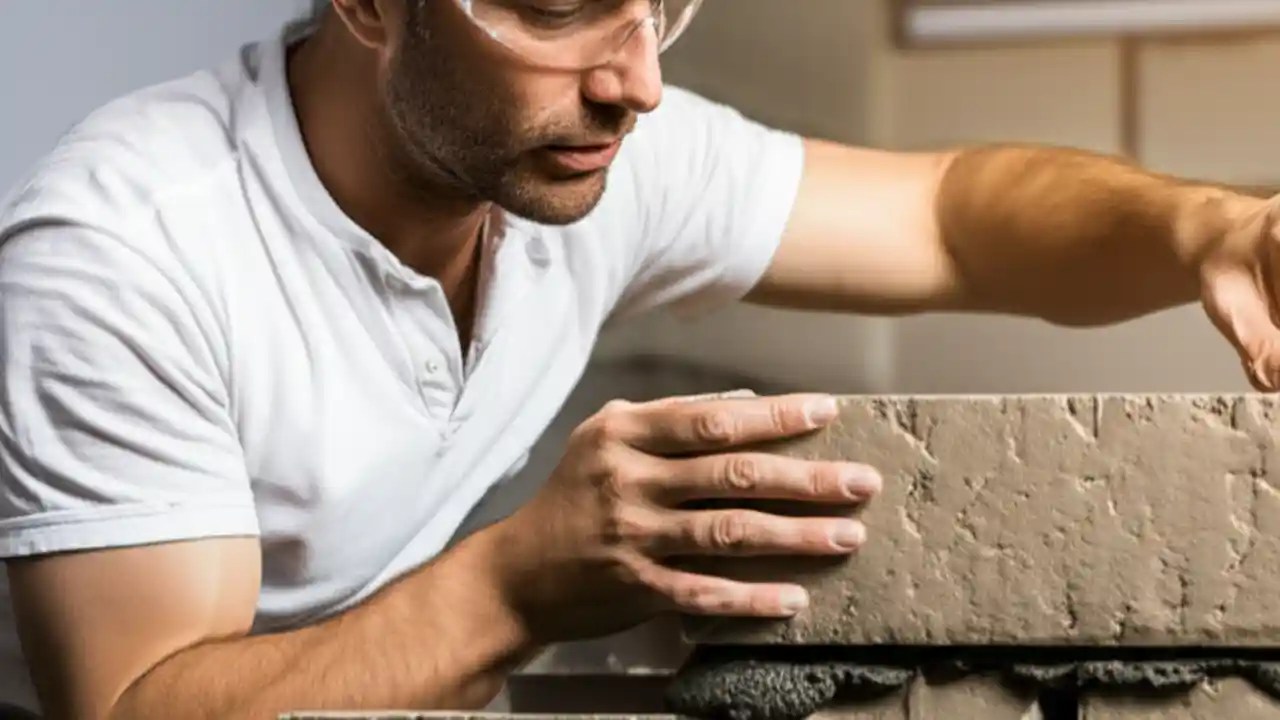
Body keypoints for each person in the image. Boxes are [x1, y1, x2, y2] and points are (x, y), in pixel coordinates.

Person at [1, 0, 1278, 717]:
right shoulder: (124, 250)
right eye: (558, 8)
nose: (635, 83)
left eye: (655, 7)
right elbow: (131, 706)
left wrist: (1202, 227)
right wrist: (515, 585)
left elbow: (946, 217)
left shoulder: (586, 157)